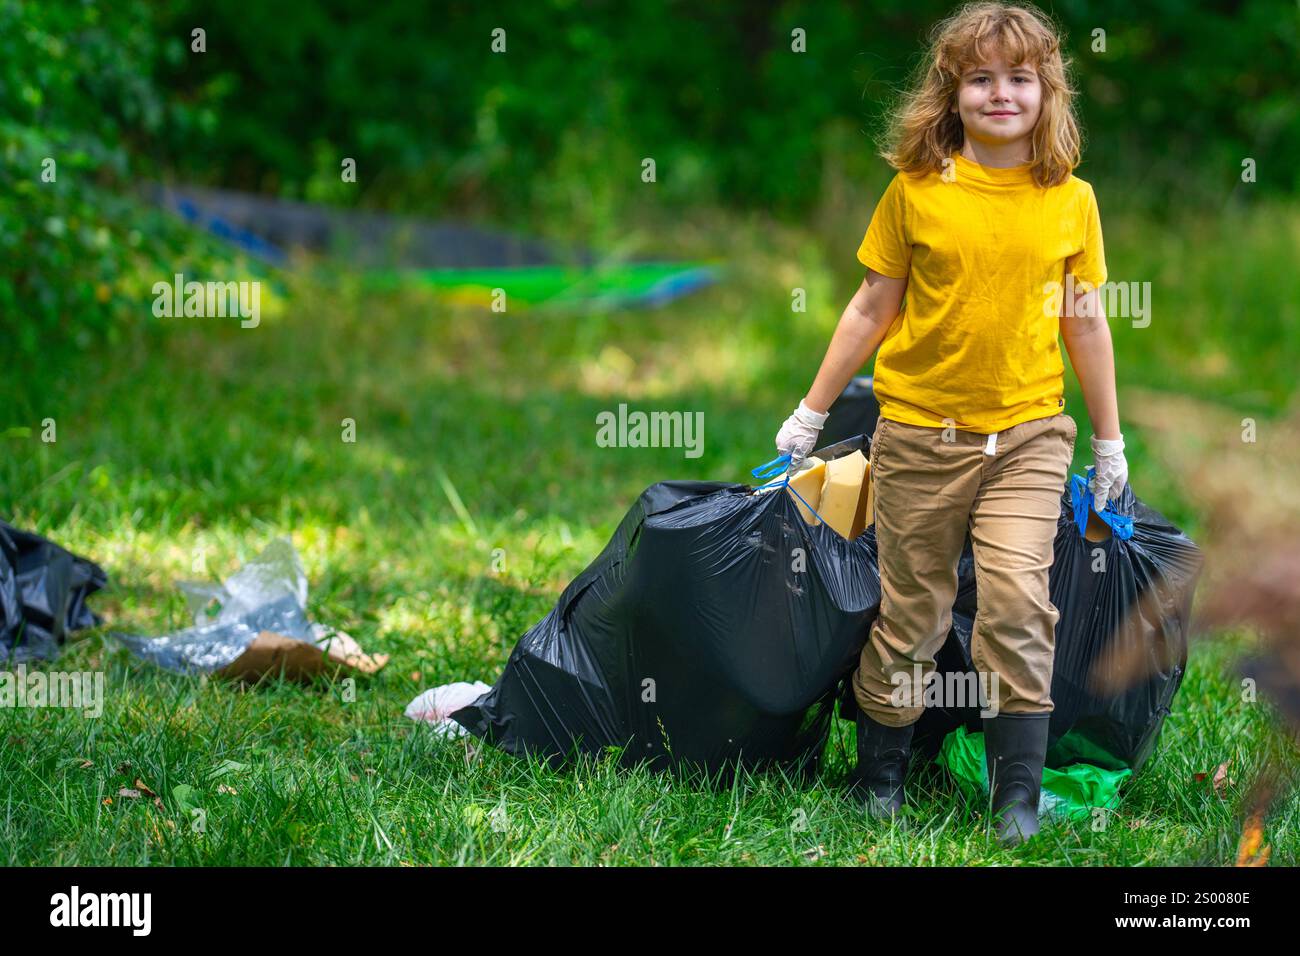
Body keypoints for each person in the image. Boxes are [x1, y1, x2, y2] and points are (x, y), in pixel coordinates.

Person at [773, 1, 1128, 845]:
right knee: (913, 613)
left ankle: (1015, 796)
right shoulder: (917, 192)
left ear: (1047, 94)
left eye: (1019, 79)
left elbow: (1085, 322)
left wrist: (1109, 439)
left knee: (1014, 603)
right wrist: (810, 411)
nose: (1000, 94)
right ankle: (879, 780)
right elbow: (870, 308)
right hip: (920, 436)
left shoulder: (1070, 201)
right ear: (951, 92)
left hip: (1029, 438)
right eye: (980, 78)